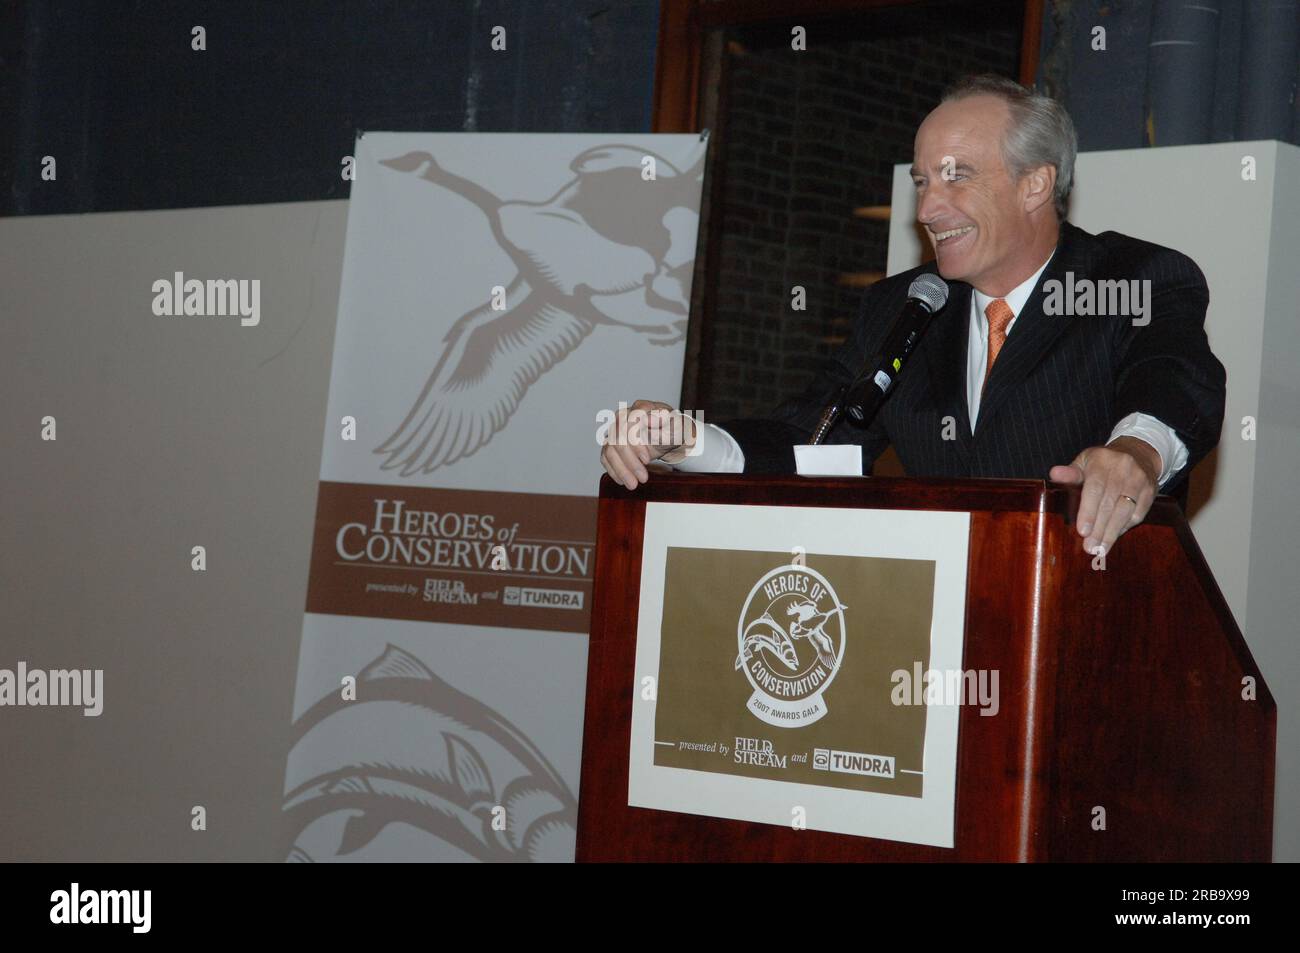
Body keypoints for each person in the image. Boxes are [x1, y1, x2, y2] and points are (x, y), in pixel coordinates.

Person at [599, 74, 1226, 557]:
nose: (928, 208)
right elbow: (814, 442)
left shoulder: (1128, 279)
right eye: (922, 181)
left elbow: (1174, 378)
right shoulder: (904, 307)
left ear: (1035, 184)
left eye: (955, 179)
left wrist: (1136, 452)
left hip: (1092, 642)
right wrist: (687, 439)